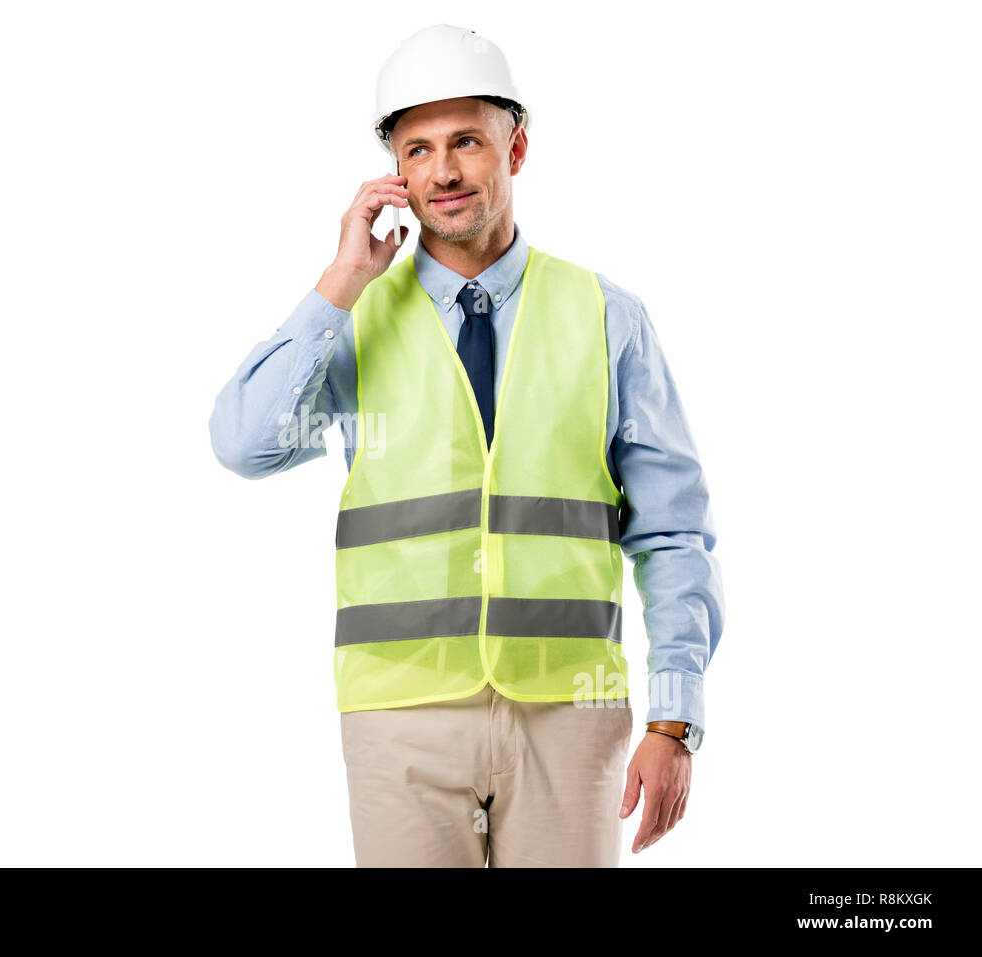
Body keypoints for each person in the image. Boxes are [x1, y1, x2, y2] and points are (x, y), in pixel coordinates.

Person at [209, 24, 723, 867]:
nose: (443, 171)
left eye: (466, 143)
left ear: (516, 149)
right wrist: (340, 282)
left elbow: (671, 533)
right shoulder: (353, 319)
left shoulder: (607, 318)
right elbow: (241, 441)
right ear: (395, 173)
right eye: (418, 150)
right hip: (399, 716)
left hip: (571, 715)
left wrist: (675, 717)